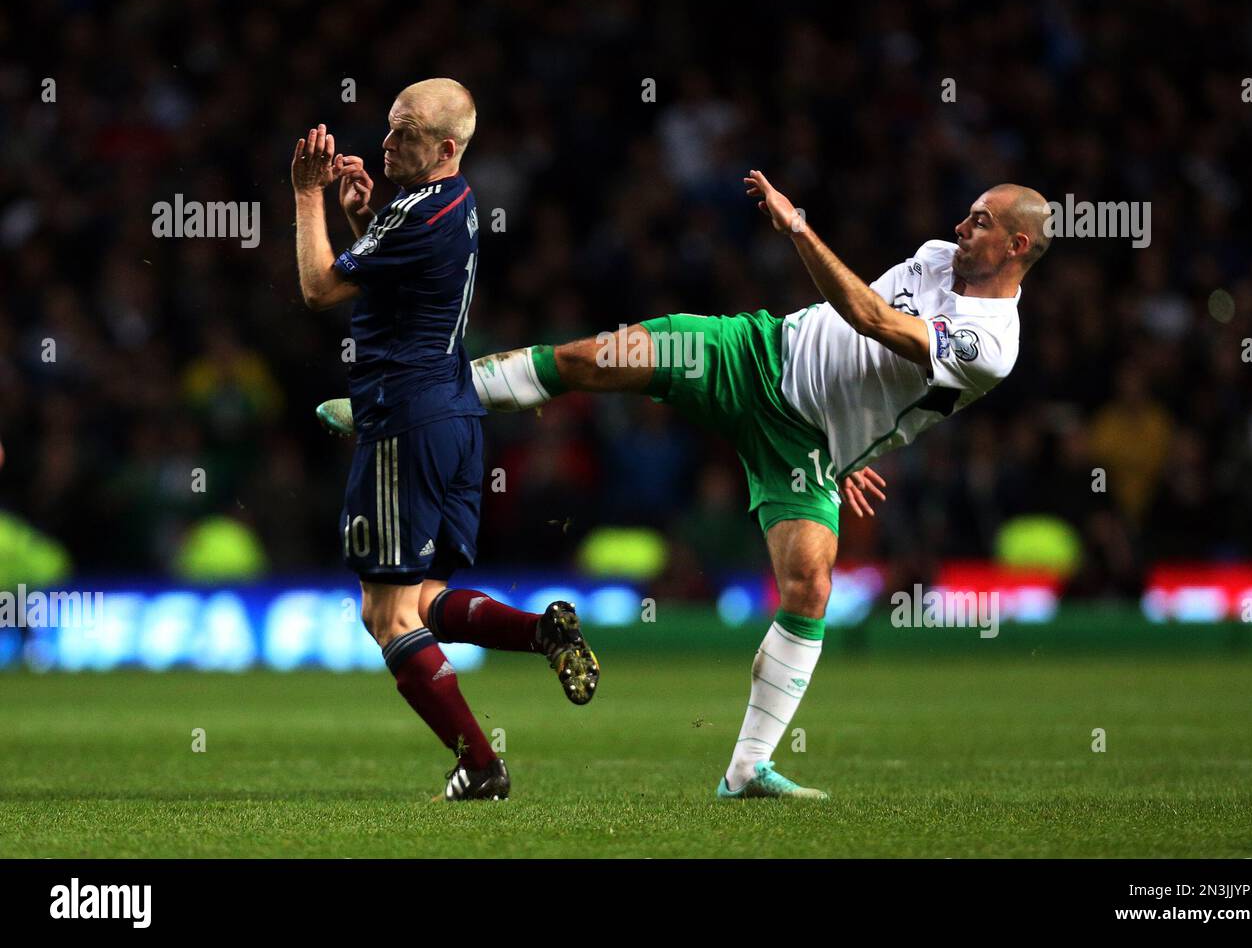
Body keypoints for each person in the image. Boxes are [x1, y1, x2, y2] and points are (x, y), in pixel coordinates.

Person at [318, 170, 1050, 799]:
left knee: (810, 586)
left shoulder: (993, 346)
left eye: (980, 222)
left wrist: (798, 229)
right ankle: (402, 401)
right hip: (753, 354)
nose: (960, 226)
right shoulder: (936, 256)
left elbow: (870, 319)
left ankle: (749, 768)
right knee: (596, 358)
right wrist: (867, 440)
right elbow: (858, 354)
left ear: (1018, 246)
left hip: (806, 444)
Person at [292, 78, 599, 803]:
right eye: (391, 127)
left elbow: (318, 289)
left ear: (447, 149)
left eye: (405, 133)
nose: (387, 141)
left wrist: (307, 195)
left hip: (405, 421)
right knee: (424, 596)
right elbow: (396, 274)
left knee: (385, 613)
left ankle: (482, 766)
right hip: (454, 420)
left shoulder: (420, 213)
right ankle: (541, 634)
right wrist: (368, 223)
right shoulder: (447, 204)